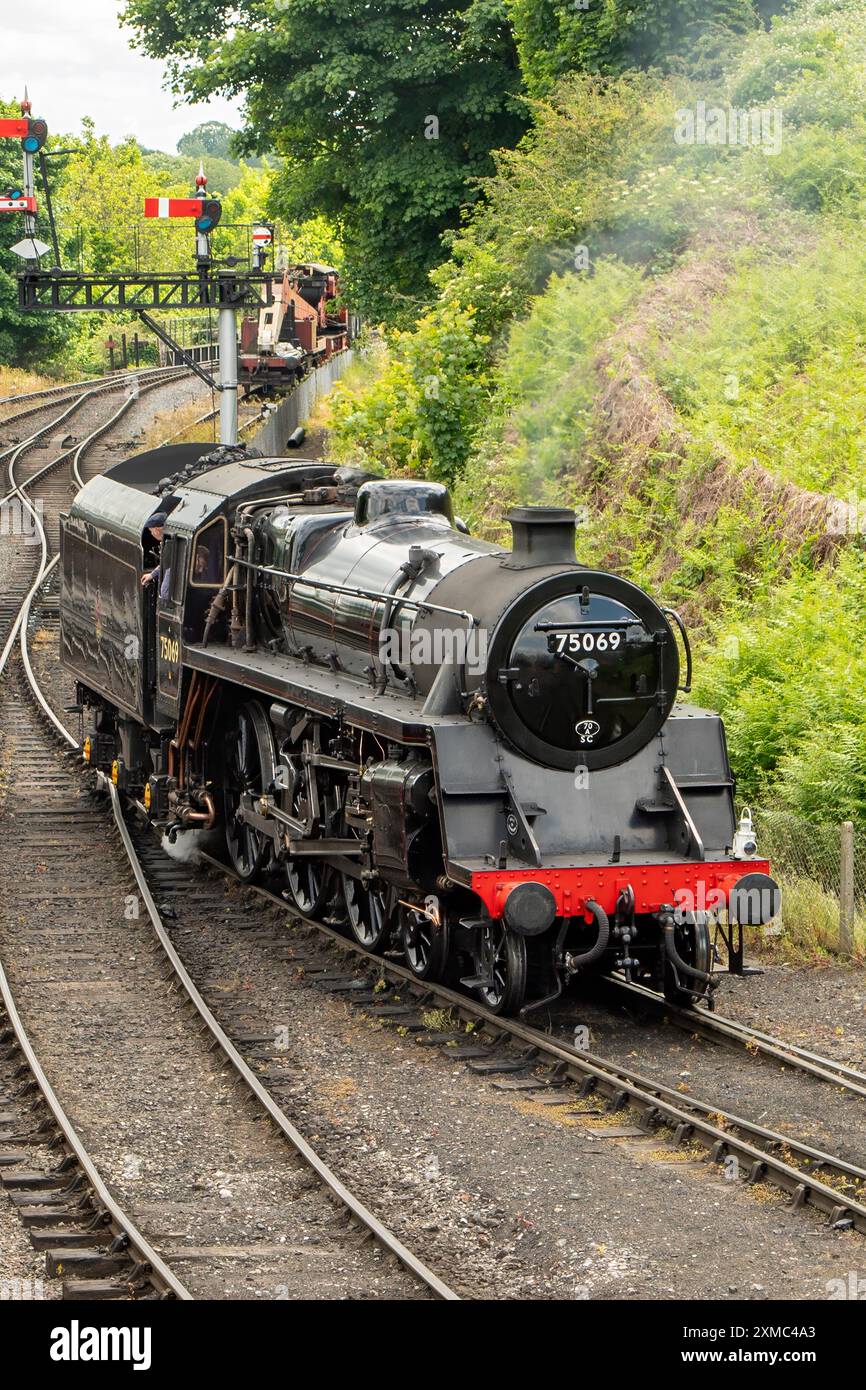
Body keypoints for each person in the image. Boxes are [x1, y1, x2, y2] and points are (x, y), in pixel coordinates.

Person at [140, 512, 171, 599]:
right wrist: (152, 575)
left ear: (157, 530)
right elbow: (165, 564)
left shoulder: (169, 546)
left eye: (151, 531)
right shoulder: (168, 543)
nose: (151, 534)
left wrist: (163, 594)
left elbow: (168, 567)